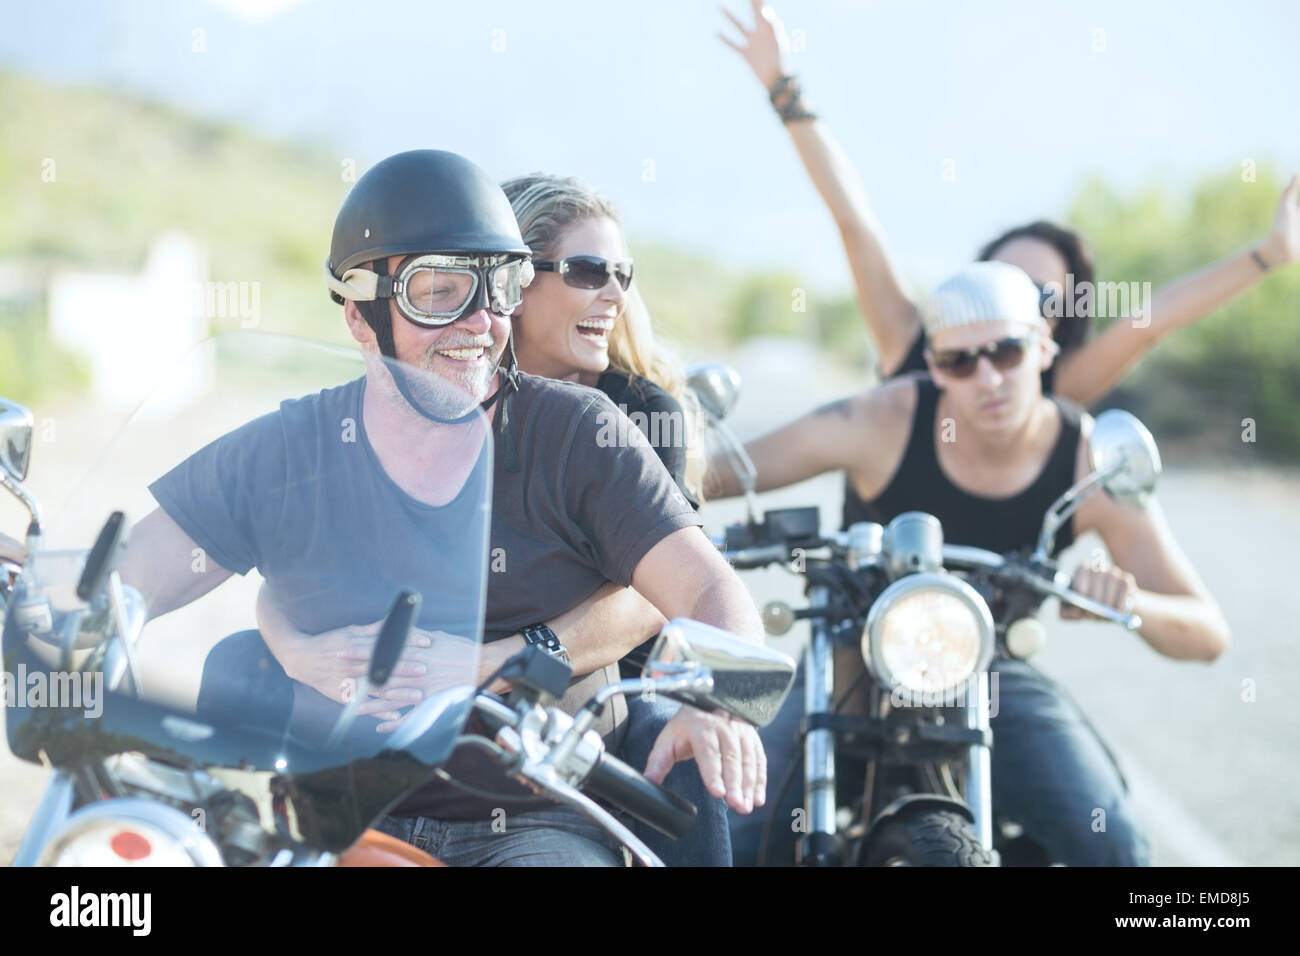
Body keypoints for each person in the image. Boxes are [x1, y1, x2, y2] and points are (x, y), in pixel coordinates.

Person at [118, 149, 767, 866]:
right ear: (362, 318)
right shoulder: (293, 448)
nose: (480, 322)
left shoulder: (581, 434)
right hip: (339, 829)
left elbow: (711, 588)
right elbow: (126, 575)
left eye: (500, 288)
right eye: (440, 293)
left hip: (539, 824)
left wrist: (721, 703)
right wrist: (52, 605)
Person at [708, 260, 1232, 866]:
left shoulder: (1087, 458)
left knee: (1110, 842)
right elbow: (726, 469)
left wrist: (1129, 602)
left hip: (990, 672)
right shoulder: (886, 417)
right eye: (960, 360)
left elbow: (1207, 632)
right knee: (733, 827)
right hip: (851, 656)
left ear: (1042, 346)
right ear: (934, 364)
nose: (987, 378)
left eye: (1005, 352)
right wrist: (626, 466)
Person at [720, 1, 1300, 525]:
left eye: (1041, 297)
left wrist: (1268, 254)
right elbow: (856, 222)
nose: (987, 373)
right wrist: (783, 88)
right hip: (870, 611)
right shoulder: (907, 340)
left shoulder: (1060, 389)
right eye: (1005, 282)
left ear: (1053, 331)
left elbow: (1153, 319)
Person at [498, 171, 728, 866]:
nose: (615, 294)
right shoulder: (449, 398)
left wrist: (521, 659)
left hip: (620, 685)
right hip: (458, 683)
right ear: (511, 281)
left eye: (621, 273)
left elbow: (657, 599)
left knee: (682, 758)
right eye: (589, 270)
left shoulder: (642, 411)